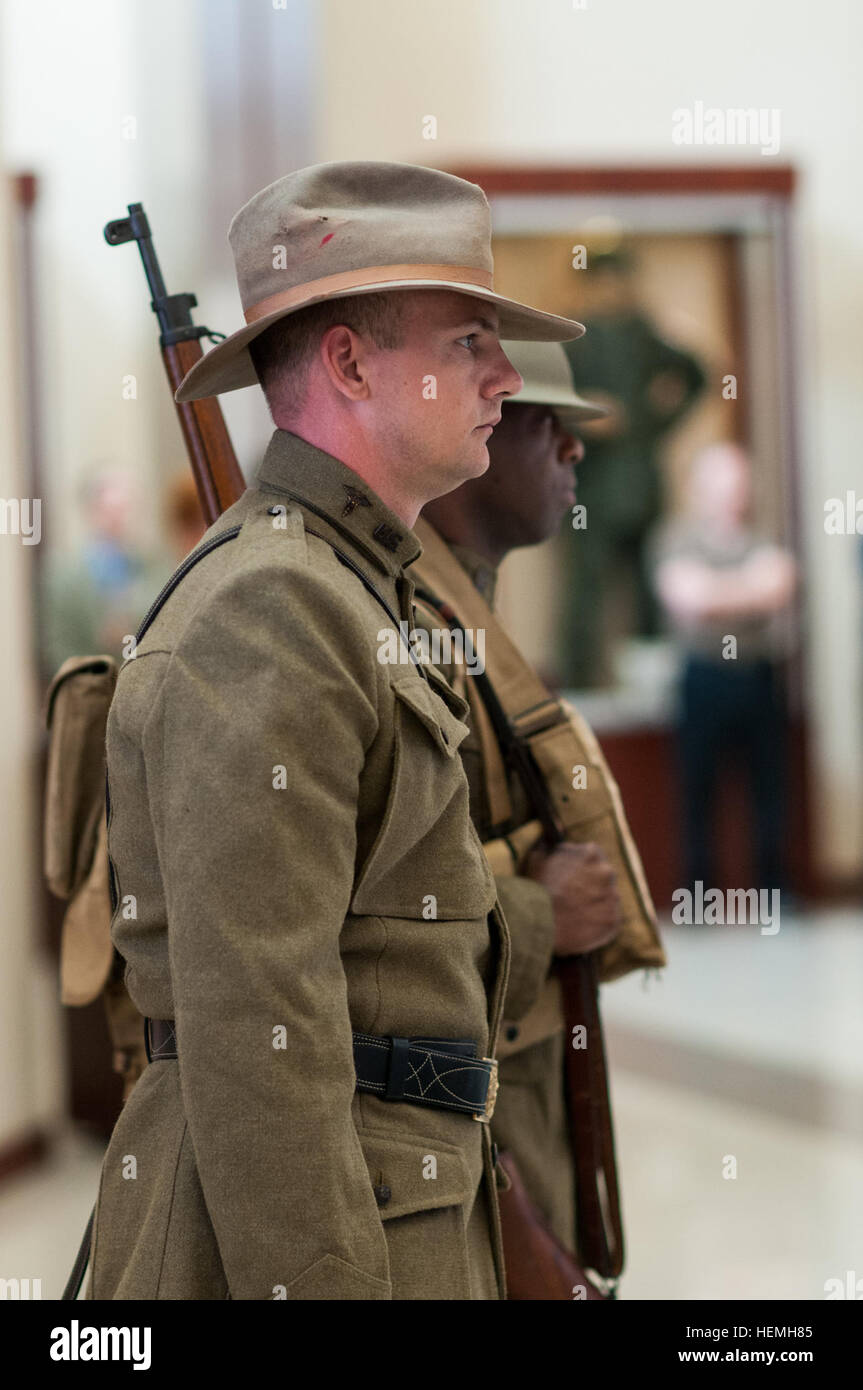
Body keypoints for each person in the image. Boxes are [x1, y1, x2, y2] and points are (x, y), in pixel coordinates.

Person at [84, 160, 585, 1301]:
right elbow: (262, 1028)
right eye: (466, 342)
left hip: (400, 1203)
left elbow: (396, 924)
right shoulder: (276, 606)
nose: (507, 377)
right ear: (351, 364)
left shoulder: (363, 590)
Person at [416, 338, 665, 1278]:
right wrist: (538, 909)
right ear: (473, 434)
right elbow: (358, 901)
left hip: (515, 1062)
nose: (573, 451)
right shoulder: (405, 622)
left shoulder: (462, 602)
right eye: (547, 426)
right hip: (458, 1087)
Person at [652, 441, 797, 894]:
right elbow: (686, 599)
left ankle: (774, 888)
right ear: (698, 488)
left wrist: (716, 593)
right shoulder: (675, 539)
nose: (731, 493)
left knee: (769, 789)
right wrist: (746, 589)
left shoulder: (765, 538)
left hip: (758, 676)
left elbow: (777, 589)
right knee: (697, 789)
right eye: (720, 483)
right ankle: (699, 890)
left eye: (738, 483)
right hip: (702, 677)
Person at [559, 248, 706, 686]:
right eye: (601, 280)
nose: (610, 289)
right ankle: (579, 687)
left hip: (641, 485)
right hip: (589, 488)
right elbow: (542, 400)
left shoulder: (644, 333)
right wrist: (586, 417)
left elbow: (696, 373)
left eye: (617, 279)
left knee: (647, 592)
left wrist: (651, 424)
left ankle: (650, 688)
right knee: (585, 591)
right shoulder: (573, 336)